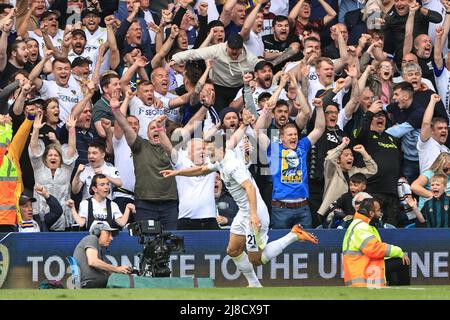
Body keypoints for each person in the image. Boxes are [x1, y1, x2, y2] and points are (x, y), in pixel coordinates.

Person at [160, 122, 318, 288]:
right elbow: (201, 170)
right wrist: (177, 172)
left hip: (254, 211)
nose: (207, 151)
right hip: (244, 212)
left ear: (218, 146)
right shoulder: (220, 160)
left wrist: (254, 215)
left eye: (209, 148)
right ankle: (254, 284)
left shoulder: (231, 164)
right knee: (233, 250)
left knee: (256, 259)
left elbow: (249, 187)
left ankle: (293, 235)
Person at [342, 198, 410, 287]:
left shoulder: (363, 225)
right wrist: (399, 252)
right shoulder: (361, 227)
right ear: (371, 213)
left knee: (397, 261)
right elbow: (374, 249)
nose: (380, 213)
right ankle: (402, 294)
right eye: (378, 211)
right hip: (362, 275)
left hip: (366, 267)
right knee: (401, 261)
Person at [73, 220, 132, 289]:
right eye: (108, 234)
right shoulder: (91, 238)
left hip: (97, 282)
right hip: (90, 282)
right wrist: (117, 269)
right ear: (97, 232)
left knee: (126, 280)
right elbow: (93, 262)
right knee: (126, 283)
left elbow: (111, 273)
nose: (111, 238)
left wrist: (123, 271)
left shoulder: (99, 251)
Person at [70, 173, 135, 231]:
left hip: (107, 239)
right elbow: (81, 223)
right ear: (94, 189)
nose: (106, 187)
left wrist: (127, 208)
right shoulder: (85, 203)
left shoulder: (113, 205)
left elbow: (122, 223)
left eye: (107, 184)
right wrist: (72, 208)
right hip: (91, 239)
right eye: (102, 185)